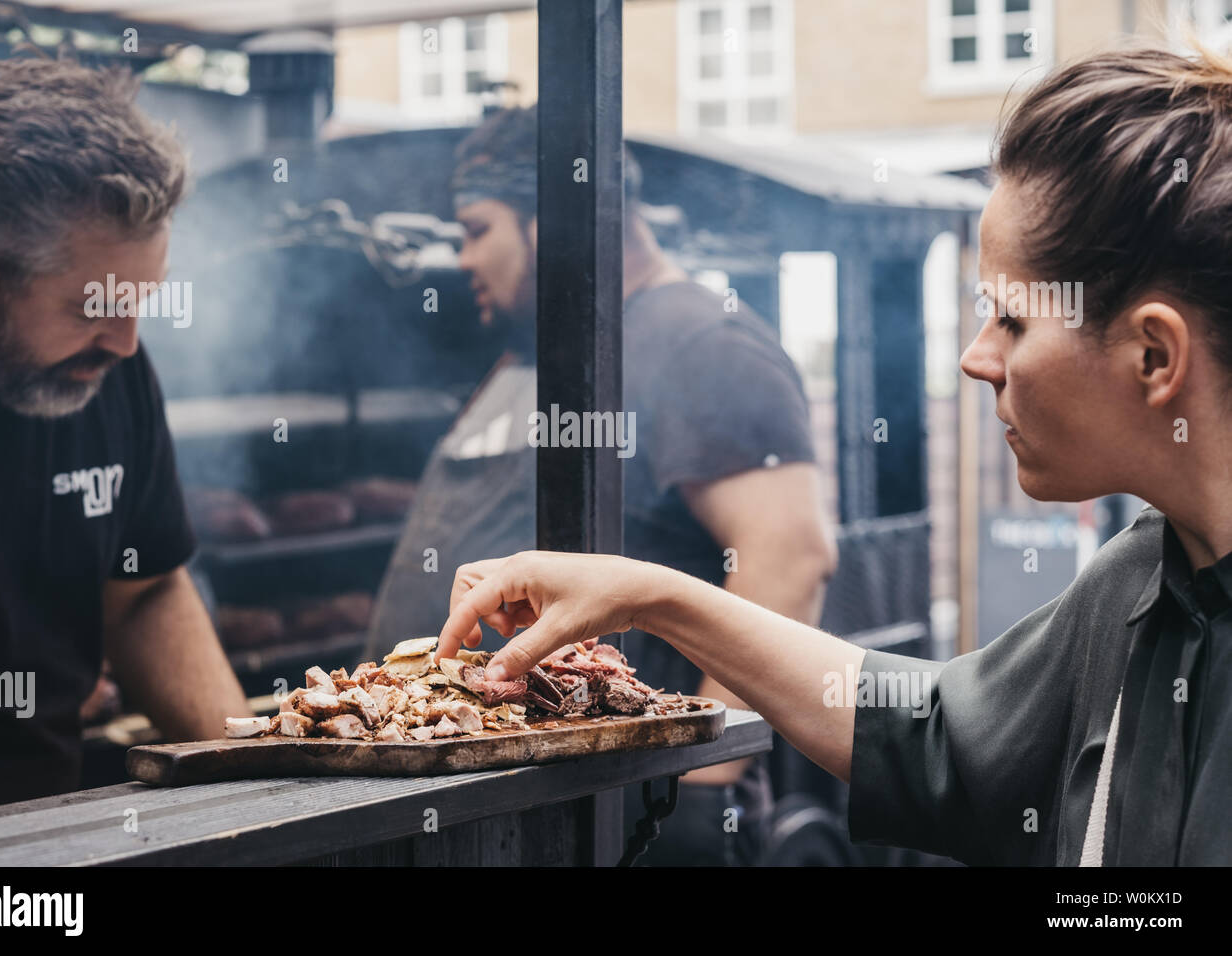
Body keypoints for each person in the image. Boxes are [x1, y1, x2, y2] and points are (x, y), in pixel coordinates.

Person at [434, 44, 1232, 866]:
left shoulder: (702, 344)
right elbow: (931, 731)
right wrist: (651, 597)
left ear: (1154, 357)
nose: (976, 358)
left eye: (1013, 321)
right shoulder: (1140, 580)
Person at [365, 105, 837, 865]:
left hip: (633, 819)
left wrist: (700, 785)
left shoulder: (700, 342)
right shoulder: (553, 350)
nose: (461, 259)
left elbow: (791, 557)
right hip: (522, 817)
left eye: (477, 230)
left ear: (549, 228)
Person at [0, 57, 249, 815]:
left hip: (40, 830)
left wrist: (255, 788)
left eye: (140, 303)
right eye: (90, 307)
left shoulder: (110, 367)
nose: (127, 345)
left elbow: (143, 596)